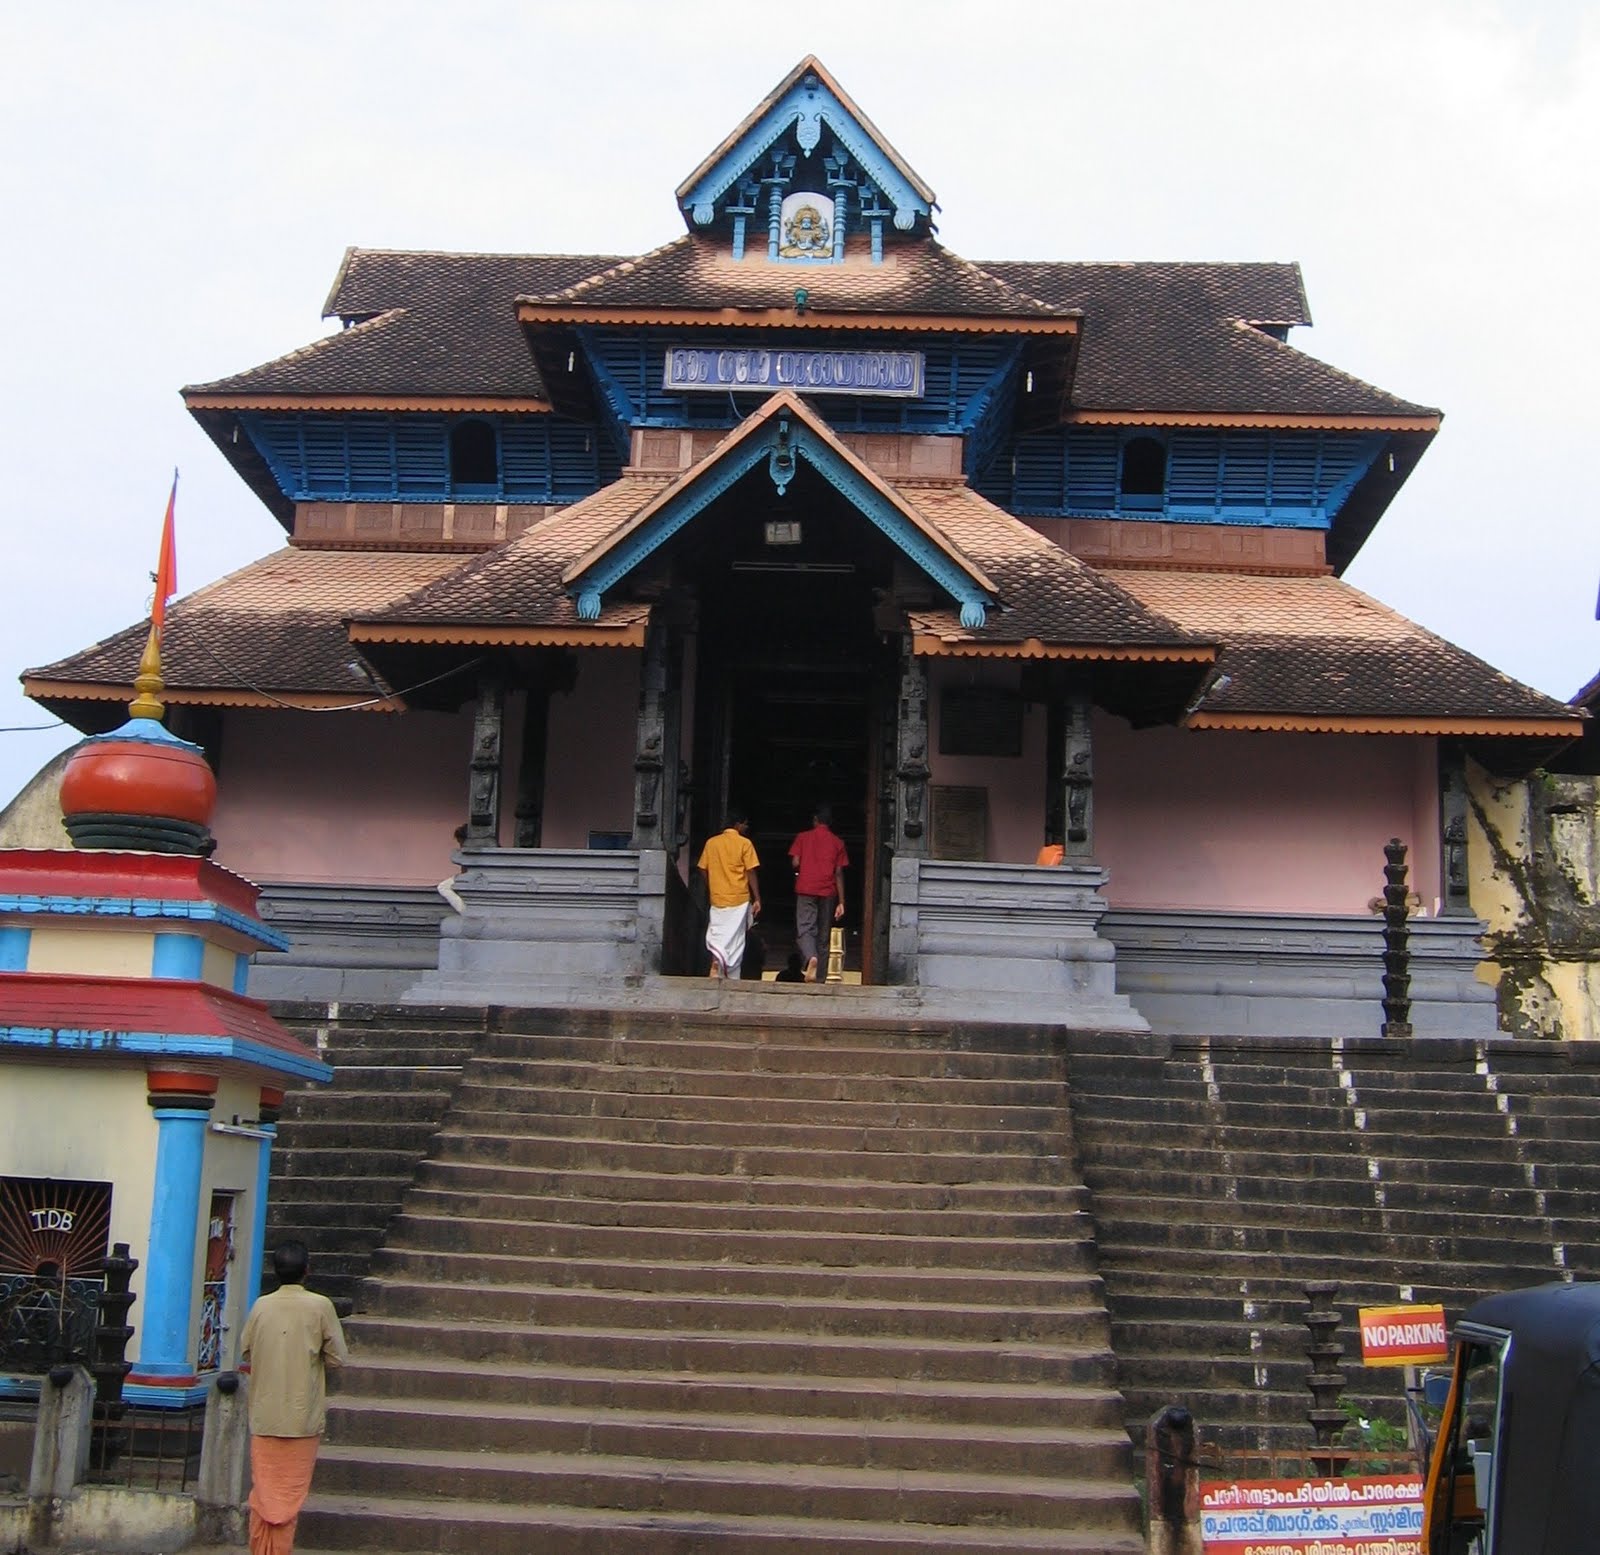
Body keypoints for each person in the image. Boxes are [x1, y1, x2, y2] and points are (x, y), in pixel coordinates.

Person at [238, 1241, 349, 1555]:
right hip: (302, 1418)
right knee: (288, 1496)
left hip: (264, 1415)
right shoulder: (320, 1306)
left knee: (265, 1494)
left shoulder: (261, 1306)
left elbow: (244, 1348)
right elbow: (339, 1357)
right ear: (307, 1270)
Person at [696, 807, 761, 979]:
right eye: (745, 824)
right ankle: (730, 973)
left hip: (717, 898)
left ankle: (716, 963)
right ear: (738, 825)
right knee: (736, 939)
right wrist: (757, 898)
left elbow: (702, 868)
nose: (746, 828)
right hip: (739, 899)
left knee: (718, 933)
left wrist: (712, 884)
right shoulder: (745, 844)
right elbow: (750, 872)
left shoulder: (712, 843)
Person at [788, 803, 848, 982]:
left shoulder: (803, 837)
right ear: (830, 823)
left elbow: (796, 863)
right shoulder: (838, 842)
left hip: (806, 888)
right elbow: (838, 872)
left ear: (815, 820)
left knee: (806, 928)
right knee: (823, 937)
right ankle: (820, 979)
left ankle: (810, 957)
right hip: (828, 891)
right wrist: (842, 901)